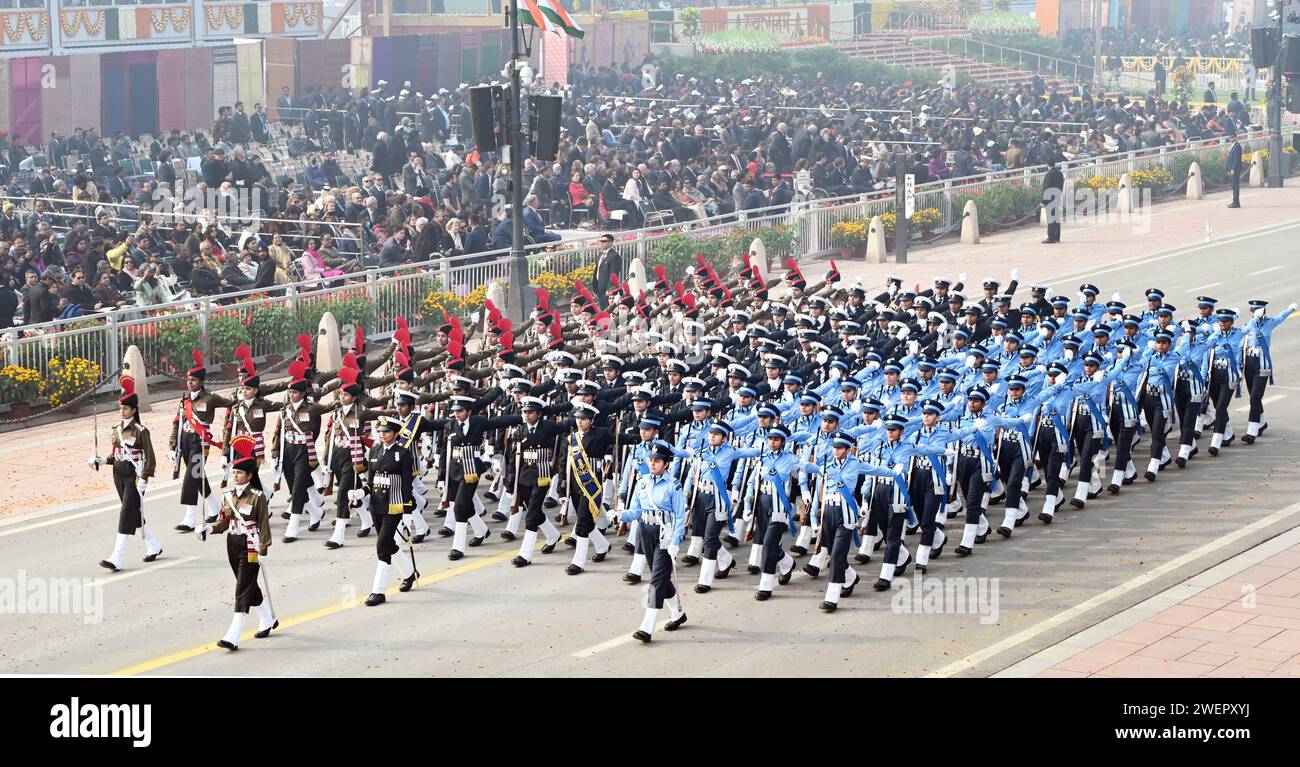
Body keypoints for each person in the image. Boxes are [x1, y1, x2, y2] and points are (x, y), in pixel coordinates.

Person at [208, 434, 277, 649]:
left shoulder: (257, 497)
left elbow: (264, 527)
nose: (234, 476)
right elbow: (222, 522)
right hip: (233, 542)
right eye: (234, 472)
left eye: (239, 473)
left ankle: (233, 635)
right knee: (247, 584)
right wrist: (208, 528)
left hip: (251, 546)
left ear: (249, 475)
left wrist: (264, 551)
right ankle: (268, 618)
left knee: (241, 589)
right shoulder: (228, 495)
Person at [619, 440, 688, 642]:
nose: (653, 463)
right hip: (645, 532)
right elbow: (636, 511)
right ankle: (677, 614)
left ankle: (646, 627)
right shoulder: (642, 482)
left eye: (658, 460)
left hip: (665, 535)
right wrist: (619, 515)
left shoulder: (673, 485)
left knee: (656, 580)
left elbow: (680, 517)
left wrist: (676, 541)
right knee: (661, 578)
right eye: (651, 459)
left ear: (666, 464)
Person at [91, 378, 163, 572]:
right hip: (118, 475)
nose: (121, 411)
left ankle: (117, 557)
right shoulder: (116, 431)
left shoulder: (141, 431)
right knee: (133, 512)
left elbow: (151, 458)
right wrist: (101, 461)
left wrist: (144, 480)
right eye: (120, 408)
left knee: (125, 515)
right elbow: (116, 455)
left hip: (134, 477)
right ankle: (154, 544)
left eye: (125, 408)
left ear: (133, 410)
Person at [170, 352, 233, 533]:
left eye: (194, 380)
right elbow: (177, 423)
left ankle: (190, 518)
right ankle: (215, 508)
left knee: (191, 477)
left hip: (200, 443)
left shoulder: (210, 398)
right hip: (185, 441)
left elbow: (232, 403)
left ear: (201, 382)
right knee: (198, 477)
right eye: (189, 379)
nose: (190, 382)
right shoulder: (185, 400)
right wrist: (172, 445)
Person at [362, 416, 421, 606]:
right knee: (387, 543)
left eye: (386, 431)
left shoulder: (402, 453)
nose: (382, 434)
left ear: (396, 434)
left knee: (382, 544)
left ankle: (378, 591)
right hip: (376, 504)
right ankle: (410, 574)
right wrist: (360, 492)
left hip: (393, 505)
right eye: (380, 431)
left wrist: (408, 509)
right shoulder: (374, 450)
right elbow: (371, 481)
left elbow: (406, 483)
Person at [593, 233, 621, 309]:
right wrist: (595, 288)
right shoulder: (600, 255)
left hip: (607, 289)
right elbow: (597, 272)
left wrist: (609, 289)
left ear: (611, 242)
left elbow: (613, 274)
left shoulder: (614, 256)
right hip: (599, 287)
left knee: (608, 309)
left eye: (604, 241)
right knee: (602, 309)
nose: (602, 243)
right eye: (601, 241)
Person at [1041, 158, 1065, 244]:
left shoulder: (1049, 174)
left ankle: (1051, 237)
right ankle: (1057, 237)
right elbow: (1061, 185)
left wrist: (1043, 201)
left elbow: (1046, 188)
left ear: (1047, 165)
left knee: (1051, 218)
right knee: (1056, 218)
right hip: (1057, 196)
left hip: (1050, 198)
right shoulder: (1060, 173)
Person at [1226, 132, 1243, 208]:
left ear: (1235, 138)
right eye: (1229, 137)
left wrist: (1233, 169)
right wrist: (1228, 169)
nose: (1230, 139)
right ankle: (1235, 201)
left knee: (1235, 186)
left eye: (1232, 137)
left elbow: (1236, 159)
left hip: (1235, 170)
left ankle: (1236, 202)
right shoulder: (1232, 146)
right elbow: (1229, 158)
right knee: (1233, 186)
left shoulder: (1237, 146)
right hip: (1231, 169)